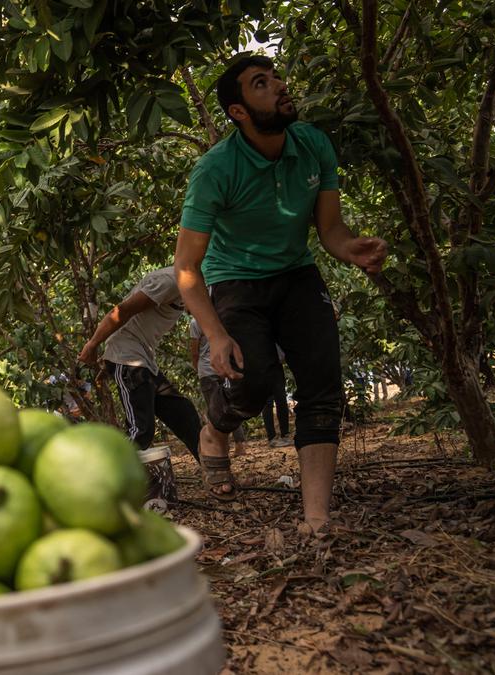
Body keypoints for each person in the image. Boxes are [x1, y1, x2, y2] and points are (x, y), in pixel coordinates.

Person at [172, 55, 387, 534]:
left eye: (277, 77)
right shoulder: (215, 170)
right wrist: (215, 334)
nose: (280, 87)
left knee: (322, 385)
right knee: (255, 382)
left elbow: (330, 229)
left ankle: (316, 517)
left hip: (297, 274)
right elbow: (186, 267)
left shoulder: (312, 145)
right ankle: (215, 429)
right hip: (235, 280)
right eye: (261, 84)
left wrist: (352, 248)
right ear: (239, 111)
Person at [77, 265, 203, 468]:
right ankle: (102, 477)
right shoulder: (169, 281)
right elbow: (121, 311)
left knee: (183, 413)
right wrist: (93, 344)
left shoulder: (185, 286)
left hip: (141, 357)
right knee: (140, 430)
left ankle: (212, 469)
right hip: (127, 355)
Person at [188, 317, 247, 458]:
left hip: (208, 371)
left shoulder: (196, 322)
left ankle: (222, 447)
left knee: (215, 410)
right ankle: (239, 444)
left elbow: (194, 352)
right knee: (230, 406)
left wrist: (198, 369)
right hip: (224, 367)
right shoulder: (221, 315)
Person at [261, 350, 293, 447]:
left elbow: (283, 355)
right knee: (267, 402)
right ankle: (272, 437)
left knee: (281, 400)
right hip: (261, 367)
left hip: (276, 366)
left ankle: (285, 434)